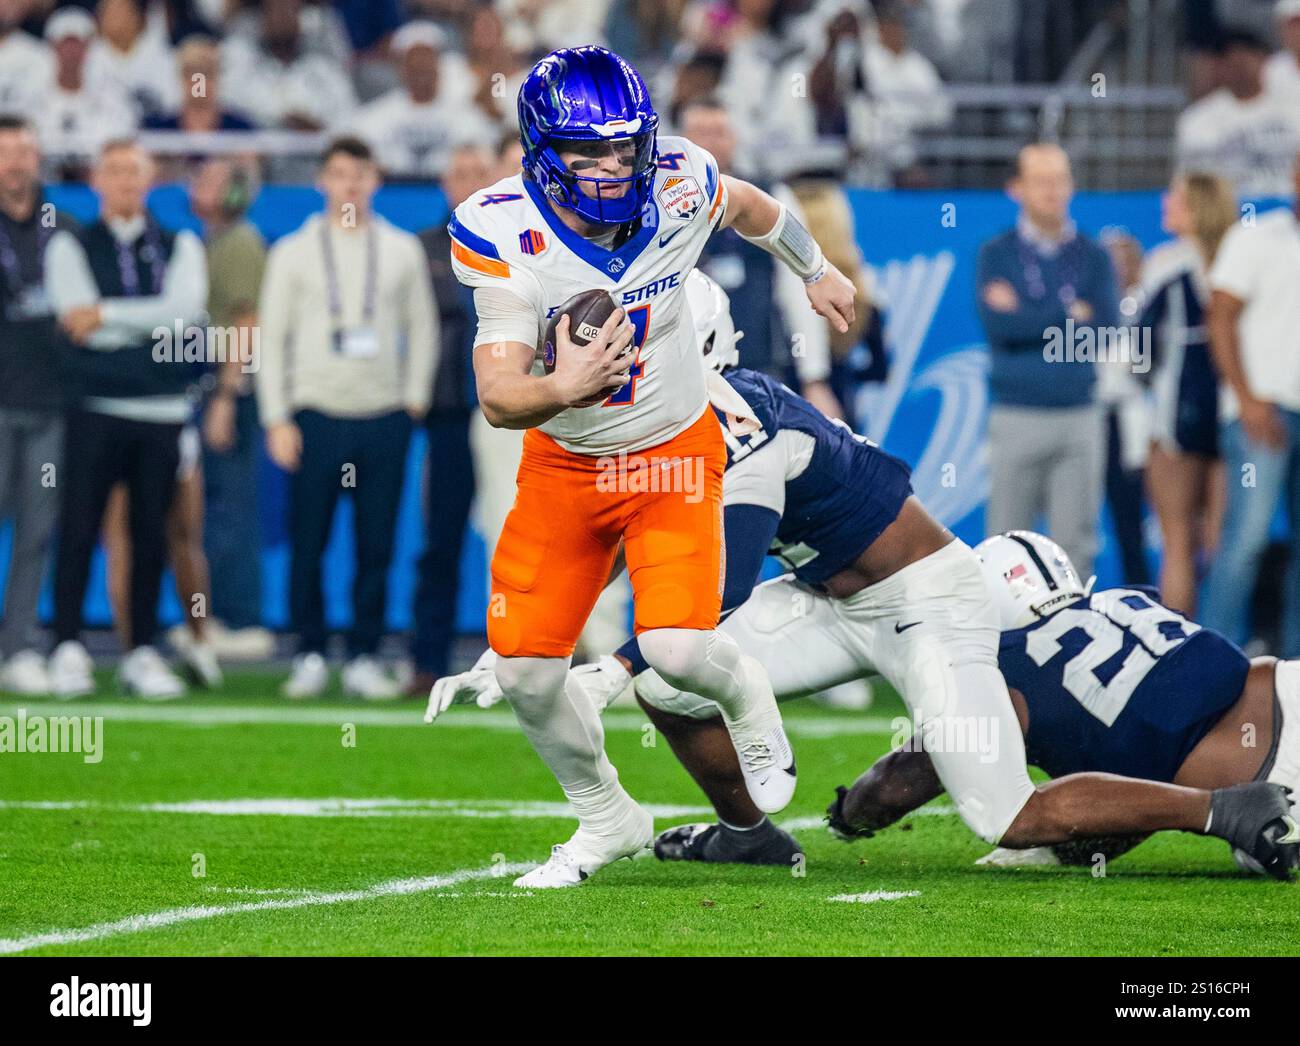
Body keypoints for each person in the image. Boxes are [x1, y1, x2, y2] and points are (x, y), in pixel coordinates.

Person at [430, 270, 1298, 879]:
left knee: (1001, 814)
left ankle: (1228, 810)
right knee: (678, 688)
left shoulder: (743, 428)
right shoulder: (679, 425)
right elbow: (627, 531)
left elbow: (710, 590)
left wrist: (606, 671)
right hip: (828, 596)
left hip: (927, 606)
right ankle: (749, 836)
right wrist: (539, 635)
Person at [446, 45, 857, 887]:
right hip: (568, 466)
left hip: (671, 450)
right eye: (588, 153)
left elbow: (752, 209)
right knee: (526, 673)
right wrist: (563, 384)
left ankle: (747, 697)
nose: (612, 167)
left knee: (674, 650)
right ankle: (608, 817)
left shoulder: (677, 181)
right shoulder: (502, 230)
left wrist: (816, 270)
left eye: (624, 148)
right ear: (541, 153)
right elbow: (496, 393)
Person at [833, 531, 1300, 880]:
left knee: (1019, 812)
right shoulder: (1124, 599)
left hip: (1274, 776)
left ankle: (1234, 812)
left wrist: (849, 813)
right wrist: (1064, 851)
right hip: (1285, 680)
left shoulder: (1007, 669)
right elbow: (1142, 772)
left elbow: (900, 780)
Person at [256, 136, 437, 700]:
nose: (350, 184)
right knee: (308, 541)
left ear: (376, 180)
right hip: (316, 414)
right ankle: (309, 652)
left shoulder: (401, 248)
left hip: (383, 415)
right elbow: (272, 336)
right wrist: (277, 418)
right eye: (339, 174)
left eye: (360, 173)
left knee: (376, 544)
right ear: (322, 181)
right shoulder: (293, 250)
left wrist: (413, 401)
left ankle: (362, 653)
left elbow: (423, 327)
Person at [44, 138, 208, 699]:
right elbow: (73, 321)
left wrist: (109, 317)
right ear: (96, 179)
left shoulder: (180, 242)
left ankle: (139, 650)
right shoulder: (70, 245)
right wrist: (148, 334)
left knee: (150, 535)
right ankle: (66, 646)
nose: (125, 182)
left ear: (151, 178)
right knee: (78, 525)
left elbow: (183, 314)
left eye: (135, 172)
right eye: (113, 171)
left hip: (161, 414)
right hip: (94, 411)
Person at [977, 143, 1119, 578]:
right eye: (1041, 181)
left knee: (1076, 546)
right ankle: (1005, 646)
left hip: (1079, 414)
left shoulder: (1094, 256)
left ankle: (1075, 641)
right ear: (1016, 188)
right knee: (1005, 547)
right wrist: (1067, 314)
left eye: (1060, 179)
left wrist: (1027, 314)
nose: (1053, 191)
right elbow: (1000, 328)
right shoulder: (995, 253)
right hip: (1017, 413)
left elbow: (1105, 328)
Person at [1201, 154, 1300, 656]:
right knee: (1245, 540)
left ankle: (1297, 671)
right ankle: (1210, 660)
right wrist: (1246, 399)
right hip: (1263, 411)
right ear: (1295, 174)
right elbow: (1220, 318)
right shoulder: (1257, 236)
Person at [409, 143, 491, 696]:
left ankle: (525, 661)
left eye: (478, 172)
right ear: (443, 181)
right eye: (459, 172)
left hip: (512, 414)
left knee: (518, 536)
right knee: (441, 539)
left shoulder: (514, 241)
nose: (467, 182)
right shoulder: (421, 248)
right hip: (447, 412)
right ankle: (426, 660)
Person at [1139, 173, 1236, 616]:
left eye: (1175, 198)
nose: (1165, 202)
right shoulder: (1240, 257)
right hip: (1235, 414)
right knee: (1223, 541)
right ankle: (1228, 649)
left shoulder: (1166, 263)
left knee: (1178, 543)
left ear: (1196, 208)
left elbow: (1139, 350)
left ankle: (1181, 651)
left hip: (1178, 420)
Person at [0, 115, 74, 695]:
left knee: (35, 531)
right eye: (7, 151)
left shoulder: (64, 227)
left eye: (26, 149)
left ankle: (19, 644)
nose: (17, 161)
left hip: (49, 401)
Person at [189, 157, 274, 662]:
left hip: (231, 394)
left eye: (208, 179)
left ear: (237, 195)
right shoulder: (214, 240)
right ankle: (218, 616)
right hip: (214, 388)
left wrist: (225, 394)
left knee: (231, 510)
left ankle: (239, 620)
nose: (196, 185)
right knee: (215, 508)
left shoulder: (239, 243)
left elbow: (247, 321)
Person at [348, 21, 495, 181]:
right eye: (414, 63)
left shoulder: (467, 117)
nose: (421, 68)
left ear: (438, 65)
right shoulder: (374, 117)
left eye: (426, 61)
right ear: (401, 67)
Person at [1175, 29, 1300, 200]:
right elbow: (1195, 182)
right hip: (1228, 212)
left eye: (1245, 61)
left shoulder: (1293, 107)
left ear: (1264, 60)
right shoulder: (1198, 119)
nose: (1240, 70)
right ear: (1218, 66)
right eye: (1231, 63)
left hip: (1289, 209)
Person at [36, 6, 136, 180]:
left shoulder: (112, 99)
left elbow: (122, 142)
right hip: (44, 183)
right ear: (53, 47)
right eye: (65, 45)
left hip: (98, 185)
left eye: (78, 45)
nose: (71, 53)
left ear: (89, 49)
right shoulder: (33, 98)